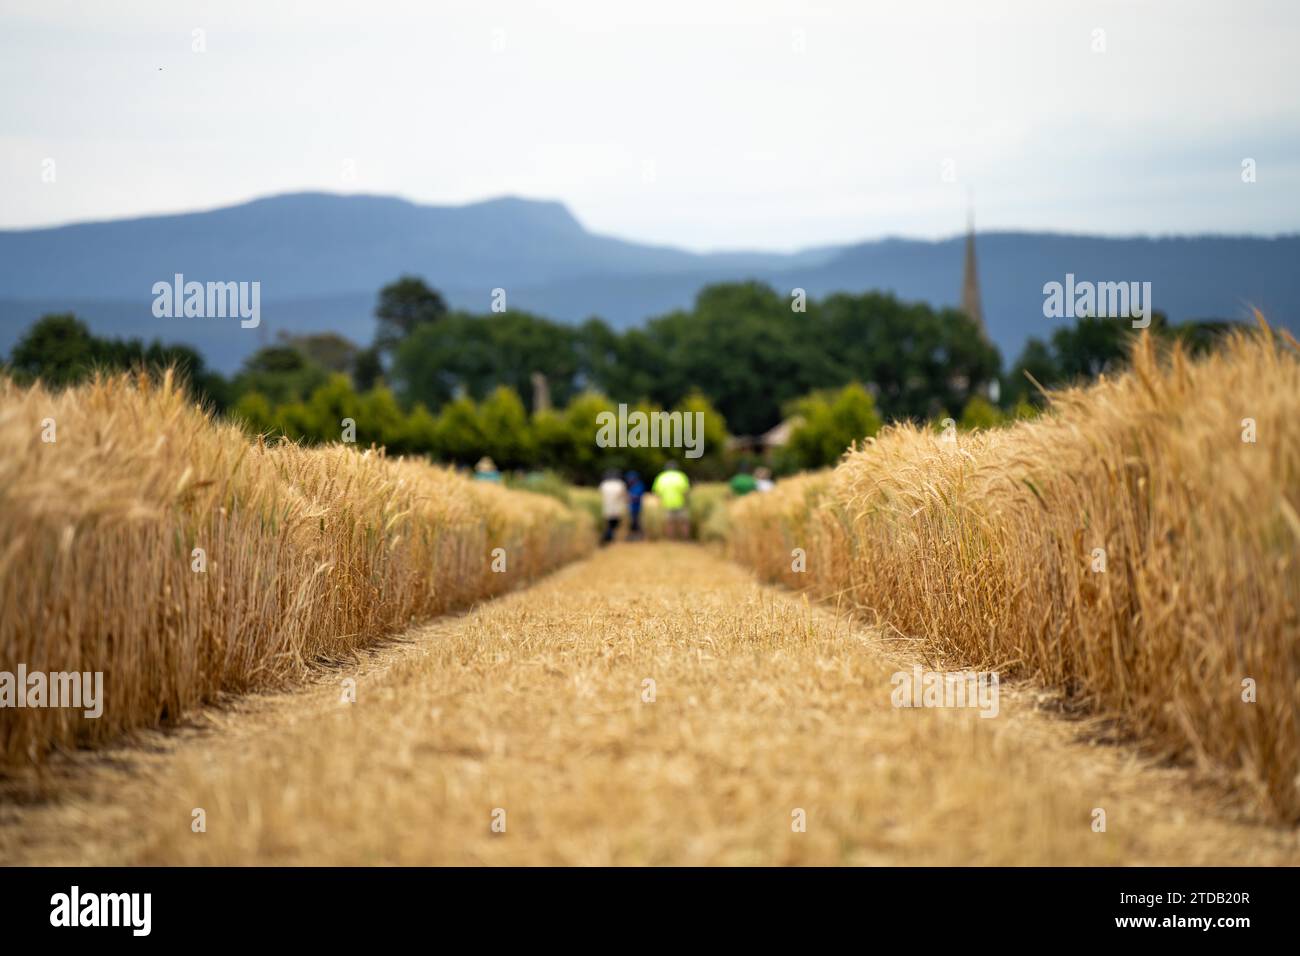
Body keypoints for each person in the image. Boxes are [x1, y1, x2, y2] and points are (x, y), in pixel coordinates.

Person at [651, 460, 691, 540]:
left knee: (669, 523)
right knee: (684, 522)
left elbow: (656, 493)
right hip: (680, 502)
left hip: (666, 503)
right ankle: (685, 539)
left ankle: (671, 539)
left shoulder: (661, 477)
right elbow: (686, 491)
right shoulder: (681, 476)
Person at [598, 468, 628, 545]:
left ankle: (608, 536)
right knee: (614, 524)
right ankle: (609, 536)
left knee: (608, 523)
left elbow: (599, 495)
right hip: (617, 508)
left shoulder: (604, 484)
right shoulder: (620, 484)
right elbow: (624, 496)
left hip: (606, 507)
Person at [625, 470, 646, 540]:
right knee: (633, 523)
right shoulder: (632, 486)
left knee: (637, 522)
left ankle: (640, 536)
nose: (629, 480)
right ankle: (633, 536)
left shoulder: (639, 485)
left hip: (637, 508)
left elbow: (637, 497)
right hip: (632, 508)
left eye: (630, 479)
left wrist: (628, 497)